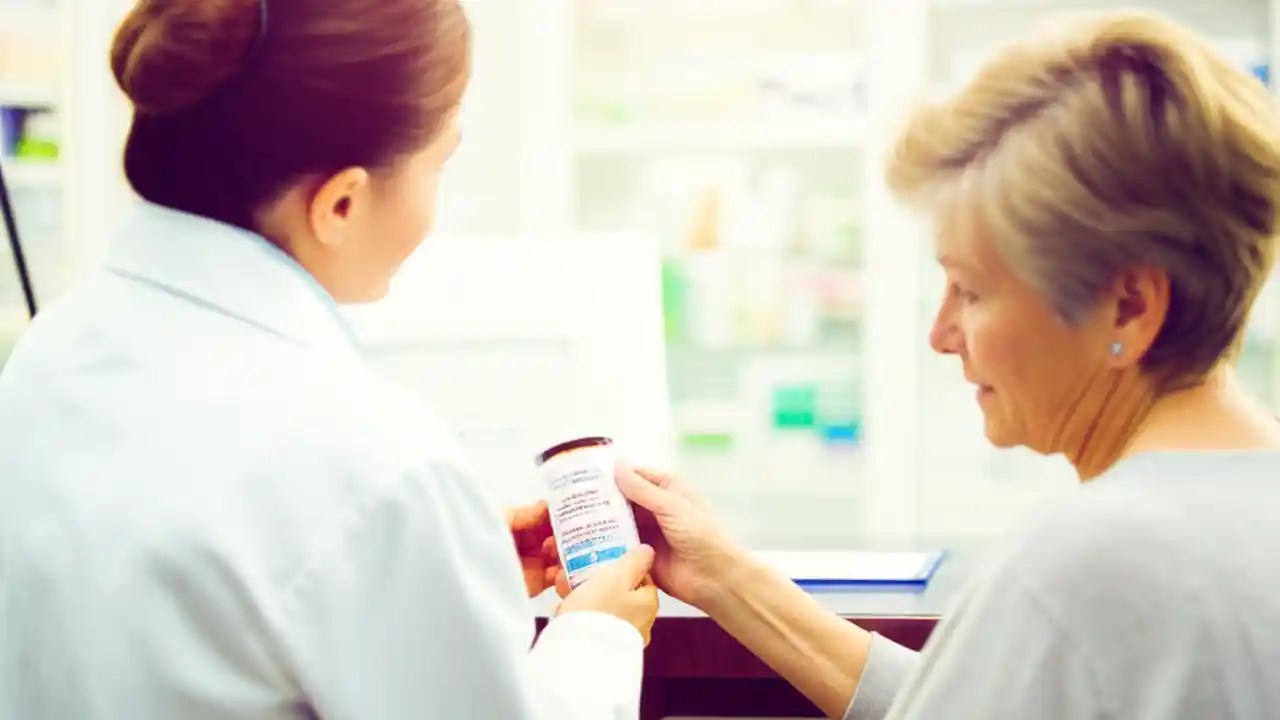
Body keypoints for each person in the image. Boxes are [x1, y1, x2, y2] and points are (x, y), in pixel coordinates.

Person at [615, 11, 1280, 720]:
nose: (941, 334)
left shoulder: (1093, 562)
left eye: (971, 289)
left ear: (1127, 307)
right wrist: (728, 580)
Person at [0, 1, 657, 718]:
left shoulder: (49, 357)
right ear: (340, 204)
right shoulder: (375, 466)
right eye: (439, 166)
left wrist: (436, 568)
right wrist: (597, 639)